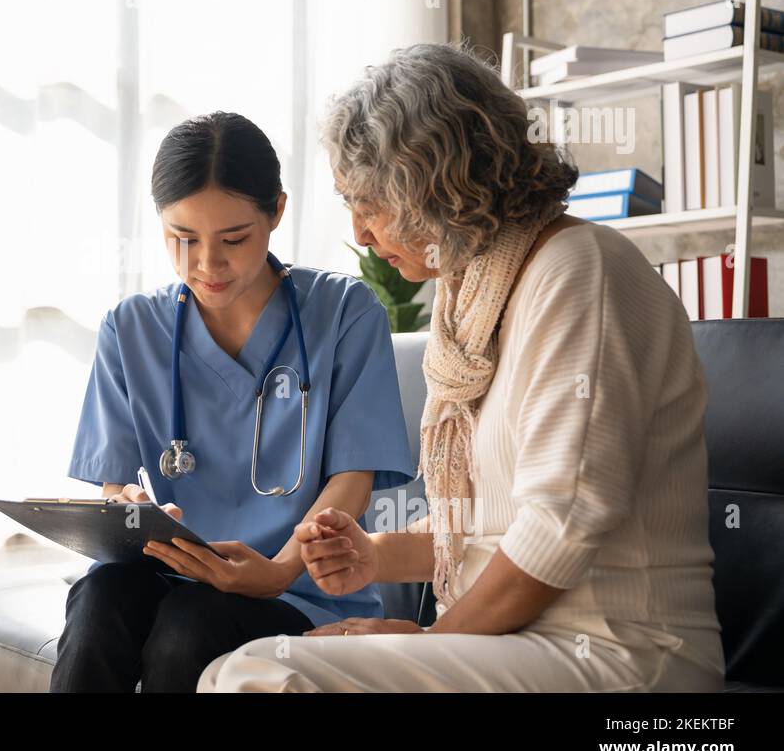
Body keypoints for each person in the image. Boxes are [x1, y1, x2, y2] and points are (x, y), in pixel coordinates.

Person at [198, 43, 725, 692]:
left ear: (435, 189)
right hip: (511, 646)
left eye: (370, 204)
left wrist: (427, 642)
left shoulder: (580, 272)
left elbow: (559, 525)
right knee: (234, 669)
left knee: (259, 675)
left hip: (622, 658)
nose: (359, 235)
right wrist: (373, 555)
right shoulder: (470, 294)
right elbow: (484, 522)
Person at [50, 111, 416, 692]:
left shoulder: (345, 312)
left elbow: (353, 477)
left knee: (189, 627)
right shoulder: (130, 328)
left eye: (233, 239)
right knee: (99, 597)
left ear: (276, 212)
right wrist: (134, 509)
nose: (206, 264)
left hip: (298, 589)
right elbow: (114, 485)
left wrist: (278, 571)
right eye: (183, 238)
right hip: (171, 572)